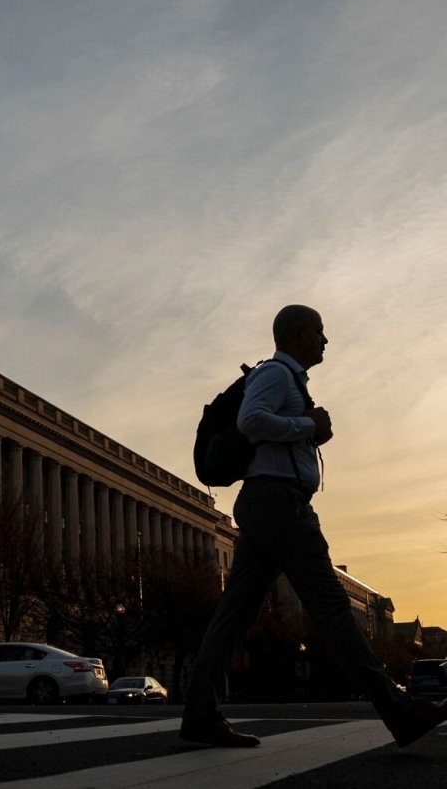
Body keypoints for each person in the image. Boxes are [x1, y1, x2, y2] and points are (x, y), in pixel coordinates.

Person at [180, 304, 447, 748]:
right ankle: (400, 712)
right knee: (332, 609)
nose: (325, 340)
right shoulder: (276, 375)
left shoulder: (284, 378)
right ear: (298, 335)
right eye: (319, 332)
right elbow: (250, 420)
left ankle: (200, 716)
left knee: (234, 615)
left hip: (267, 503)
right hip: (280, 503)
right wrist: (309, 426)